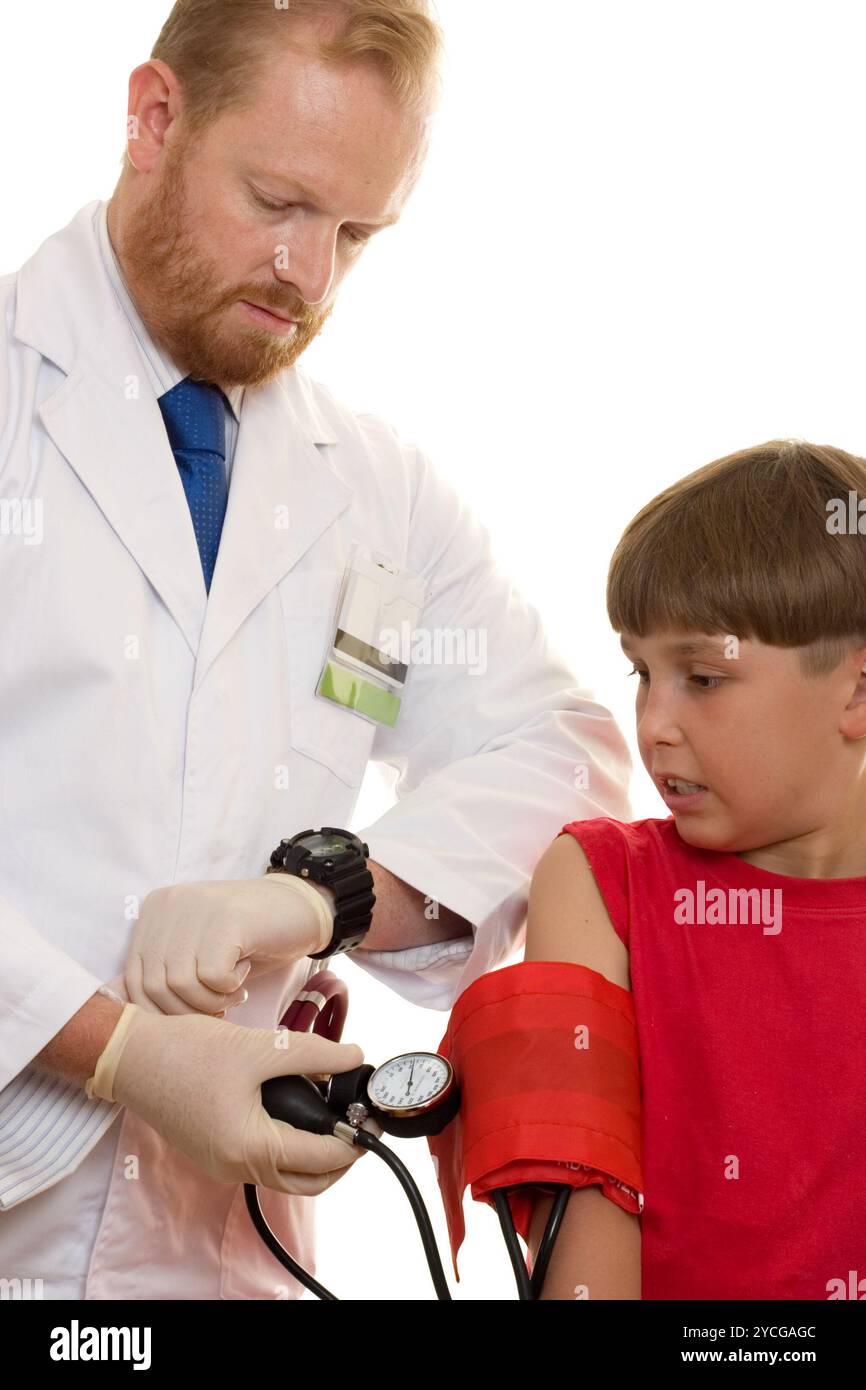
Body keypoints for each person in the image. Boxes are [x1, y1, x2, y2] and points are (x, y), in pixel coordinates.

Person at [0, 0, 633, 1300]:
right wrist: (119, 1052)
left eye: (356, 232)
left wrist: (321, 897)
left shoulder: (374, 488)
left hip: (229, 1262)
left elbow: (559, 750)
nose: (310, 276)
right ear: (153, 117)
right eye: (278, 201)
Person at [522, 438, 866, 1299]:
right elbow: (585, 1236)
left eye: (703, 678)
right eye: (642, 673)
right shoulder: (600, 885)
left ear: (858, 695)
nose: (653, 724)